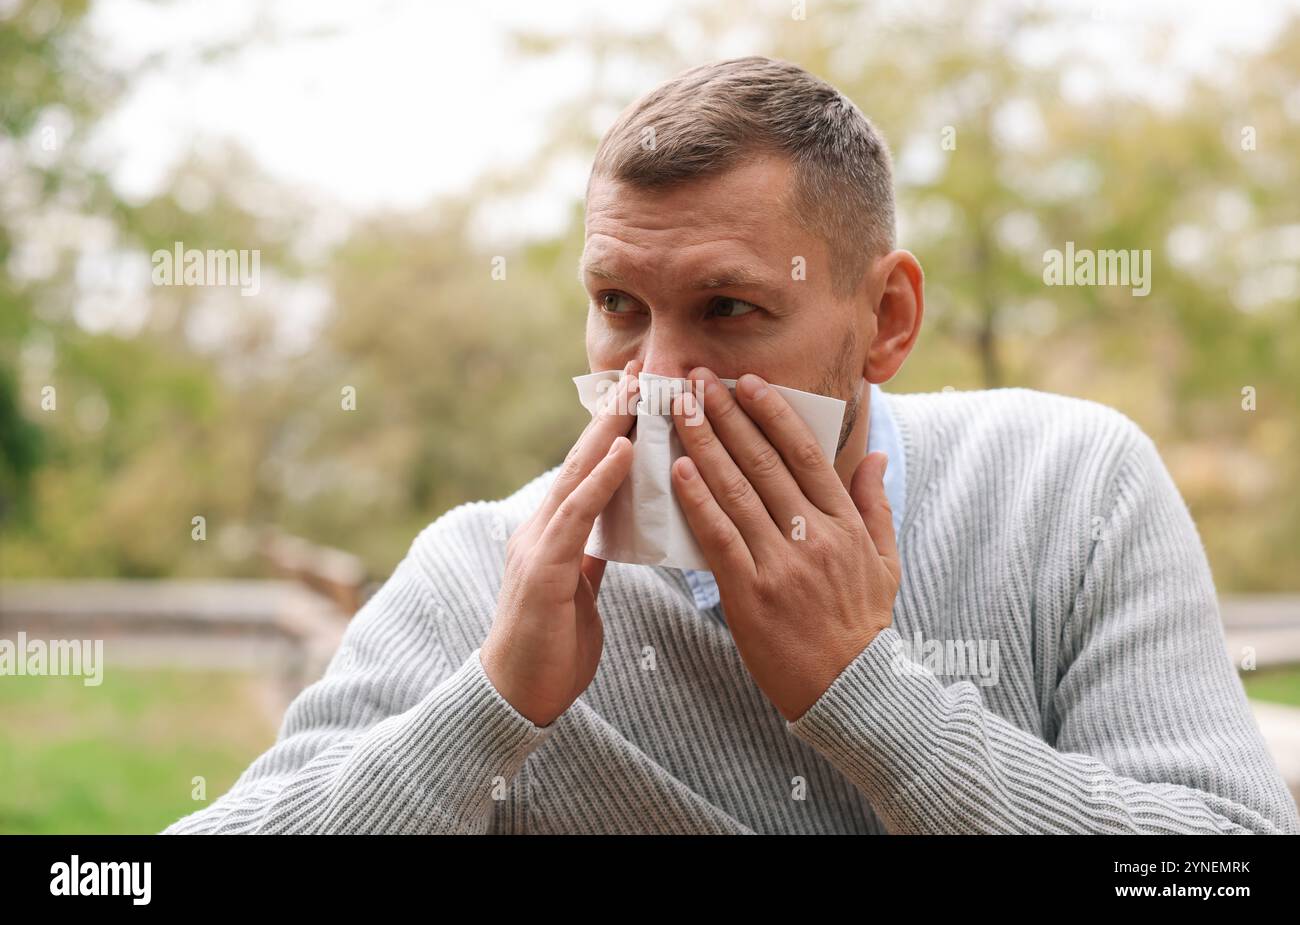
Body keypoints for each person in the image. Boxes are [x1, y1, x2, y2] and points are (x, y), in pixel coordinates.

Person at [163, 56, 1299, 834]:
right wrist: (491, 706)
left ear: (885, 321)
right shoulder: (492, 574)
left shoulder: (1069, 490)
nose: (654, 381)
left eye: (729, 310)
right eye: (618, 305)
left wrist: (868, 701)